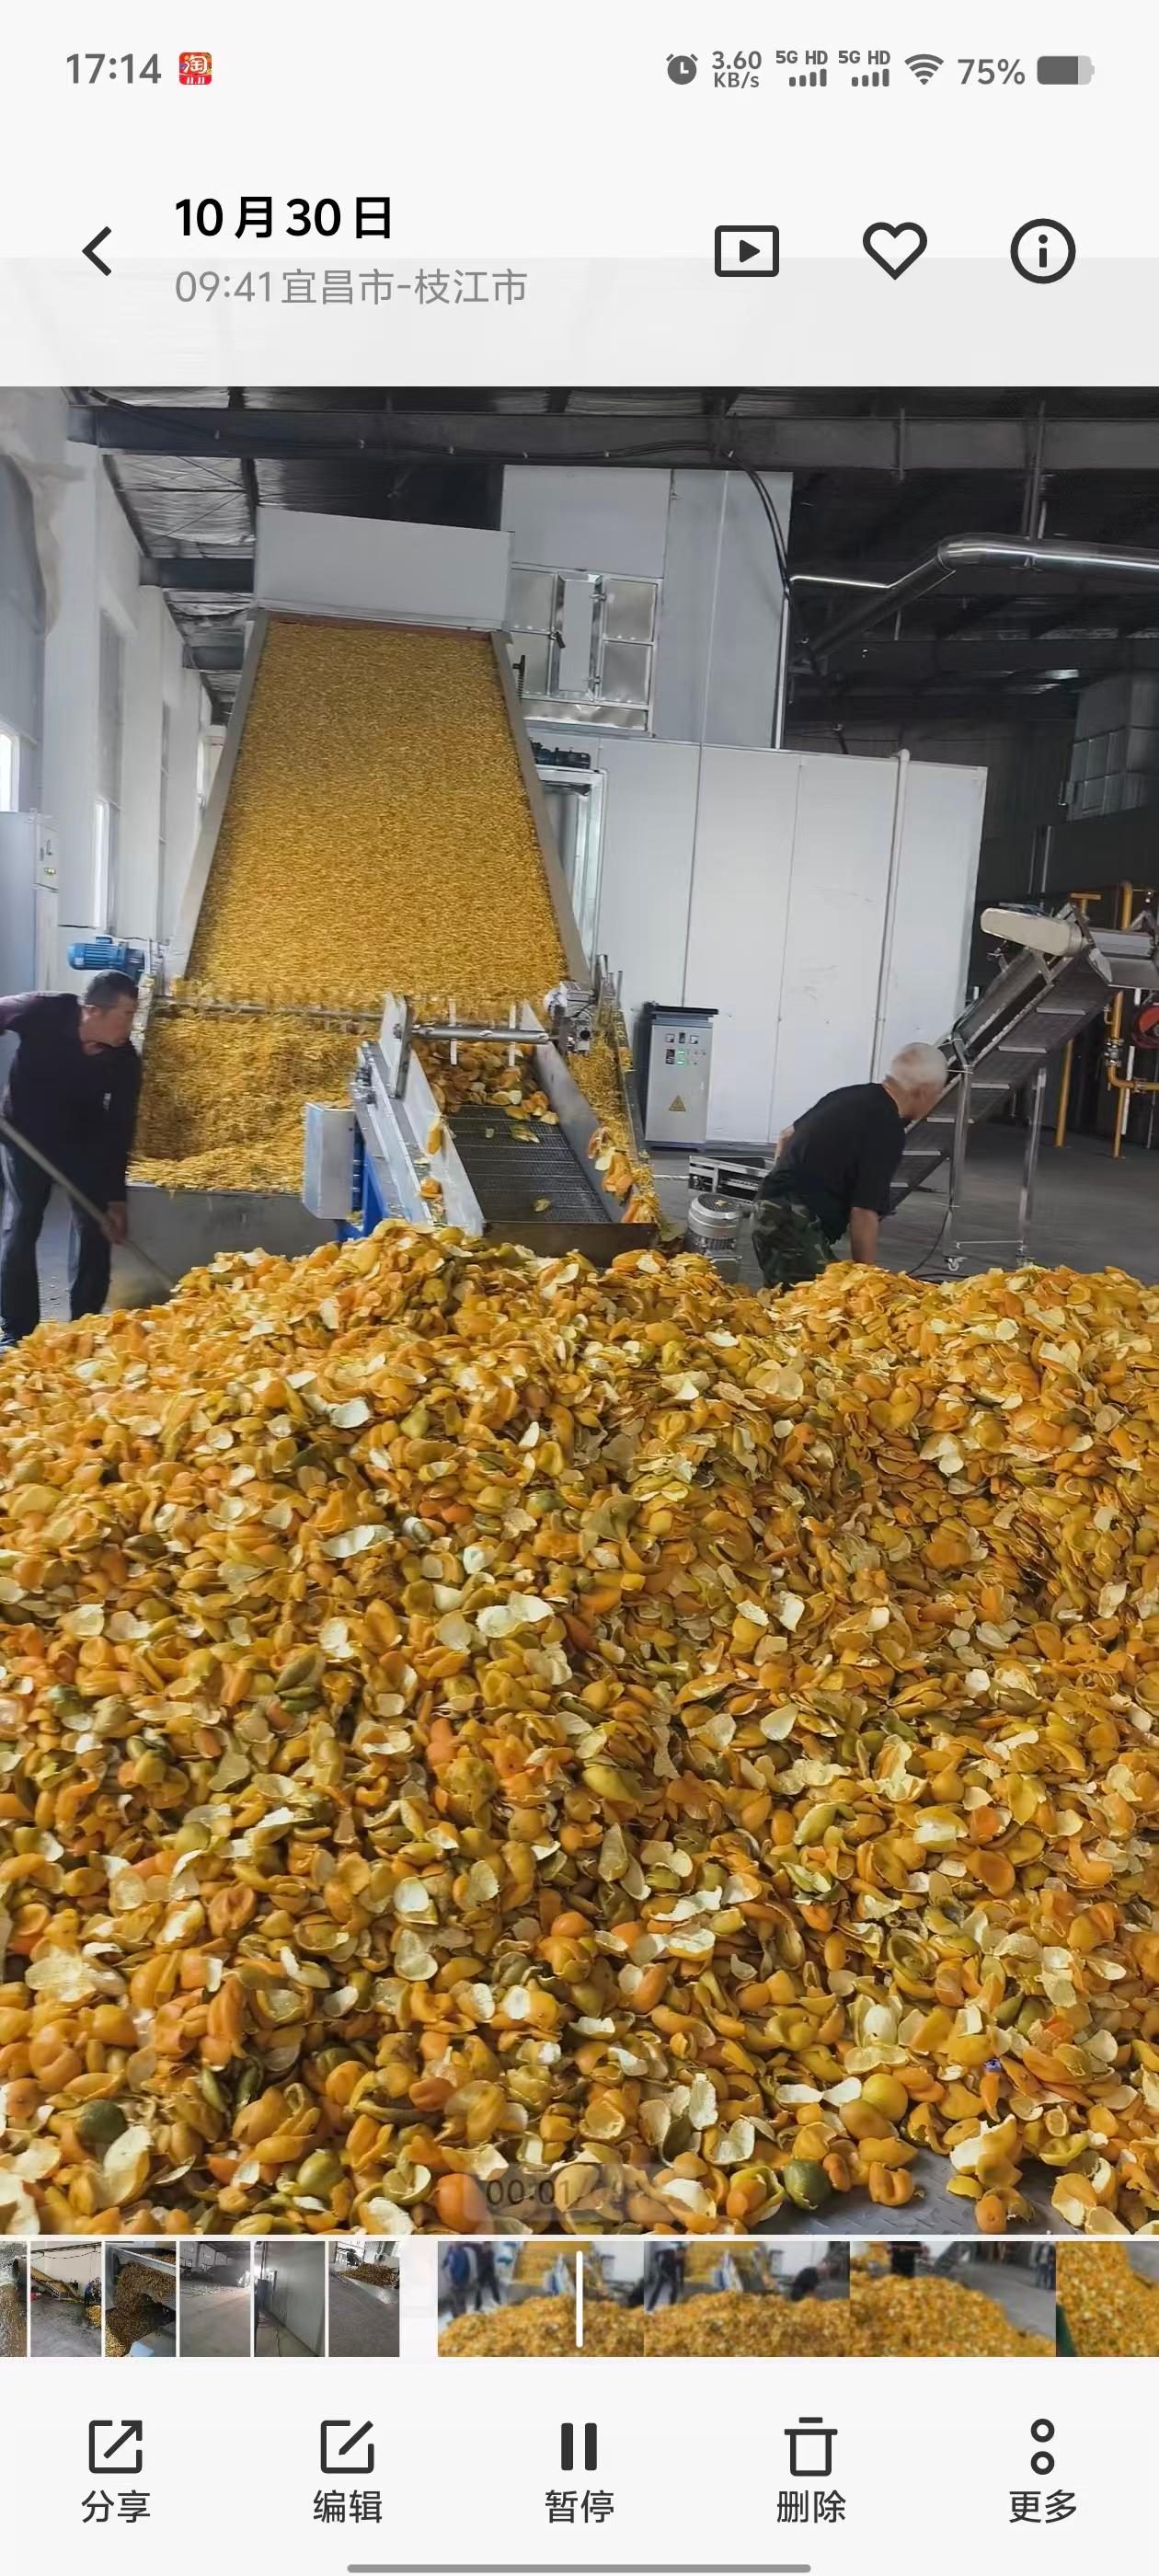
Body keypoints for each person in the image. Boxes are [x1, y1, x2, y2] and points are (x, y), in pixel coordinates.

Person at [0, 971, 141, 1347]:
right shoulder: (42, 1010)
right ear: (94, 1011)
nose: (131, 1025)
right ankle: (17, 1330)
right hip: (23, 1135)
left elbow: (120, 1127)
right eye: (127, 1014)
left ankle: (85, 1327)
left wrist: (115, 1198)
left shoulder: (124, 1059)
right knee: (23, 1222)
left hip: (82, 1142)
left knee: (95, 1226)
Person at [752, 1041, 948, 1291]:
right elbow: (863, 1213)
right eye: (936, 1095)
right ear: (923, 1092)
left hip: (769, 1210)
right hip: (792, 1223)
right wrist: (868, 1283)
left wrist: (777, 1199)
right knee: (824, 1302)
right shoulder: (887, 1128)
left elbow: (785, 1136)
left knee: (790, 1300)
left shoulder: (849, 1095)